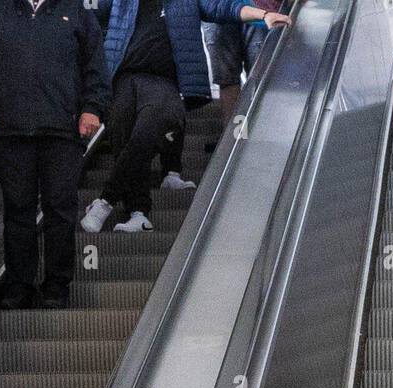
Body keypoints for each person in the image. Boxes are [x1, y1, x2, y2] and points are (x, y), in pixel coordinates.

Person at [82, 0, 290, 234]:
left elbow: (225, 6)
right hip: (120, 79)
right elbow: (85, 12)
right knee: (123, 138)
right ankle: (138, 213)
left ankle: (104, 201)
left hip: (163, 82)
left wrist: (263, 15)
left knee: (146, 132)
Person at [0, 0, 109, 309]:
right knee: (18, 210)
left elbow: (96, 63)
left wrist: (92, 107)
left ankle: (57, 286)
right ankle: (19, 287)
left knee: (60, 208)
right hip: (11, 131)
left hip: (62, 130)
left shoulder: (76, 9)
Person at [202, 1, 282, 130]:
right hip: (219, 10)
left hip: (259, 10)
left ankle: (252, 135)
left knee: (260, 77)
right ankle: (233, 138)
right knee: (228, 79)